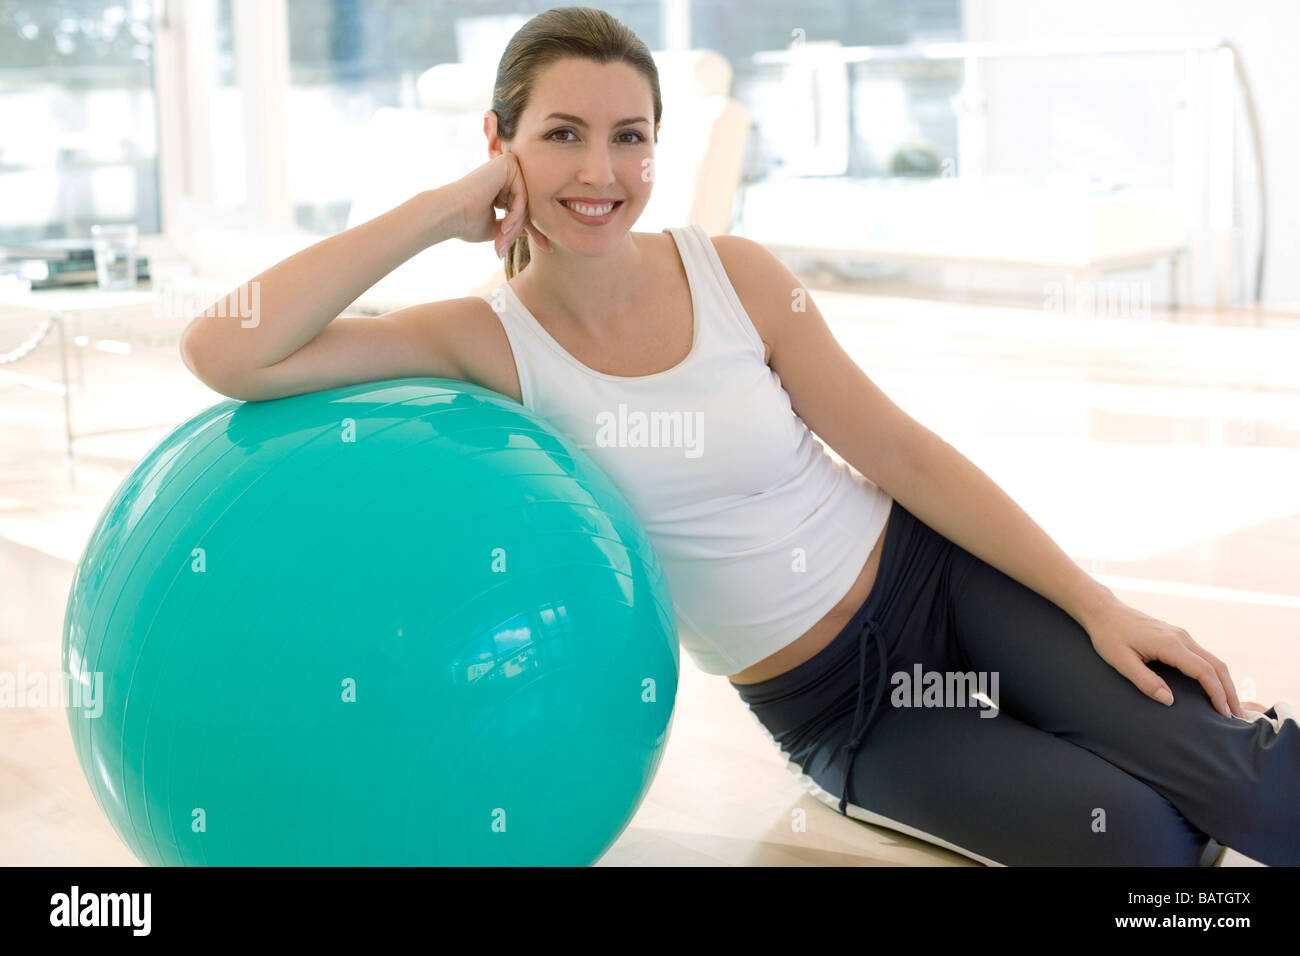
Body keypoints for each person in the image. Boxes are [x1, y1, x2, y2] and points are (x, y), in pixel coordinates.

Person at [179, 6, 1298, 866]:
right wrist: (440, 207)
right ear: (499, 142)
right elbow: (229, 350)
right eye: (560, 136)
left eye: (630, 137)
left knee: (1240, 781)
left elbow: (902, 452)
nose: (599, 173)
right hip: (838, 708)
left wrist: (1099, 603)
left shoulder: (734, 272)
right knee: (1139, 844)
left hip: (940, 583)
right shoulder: (486, 339)